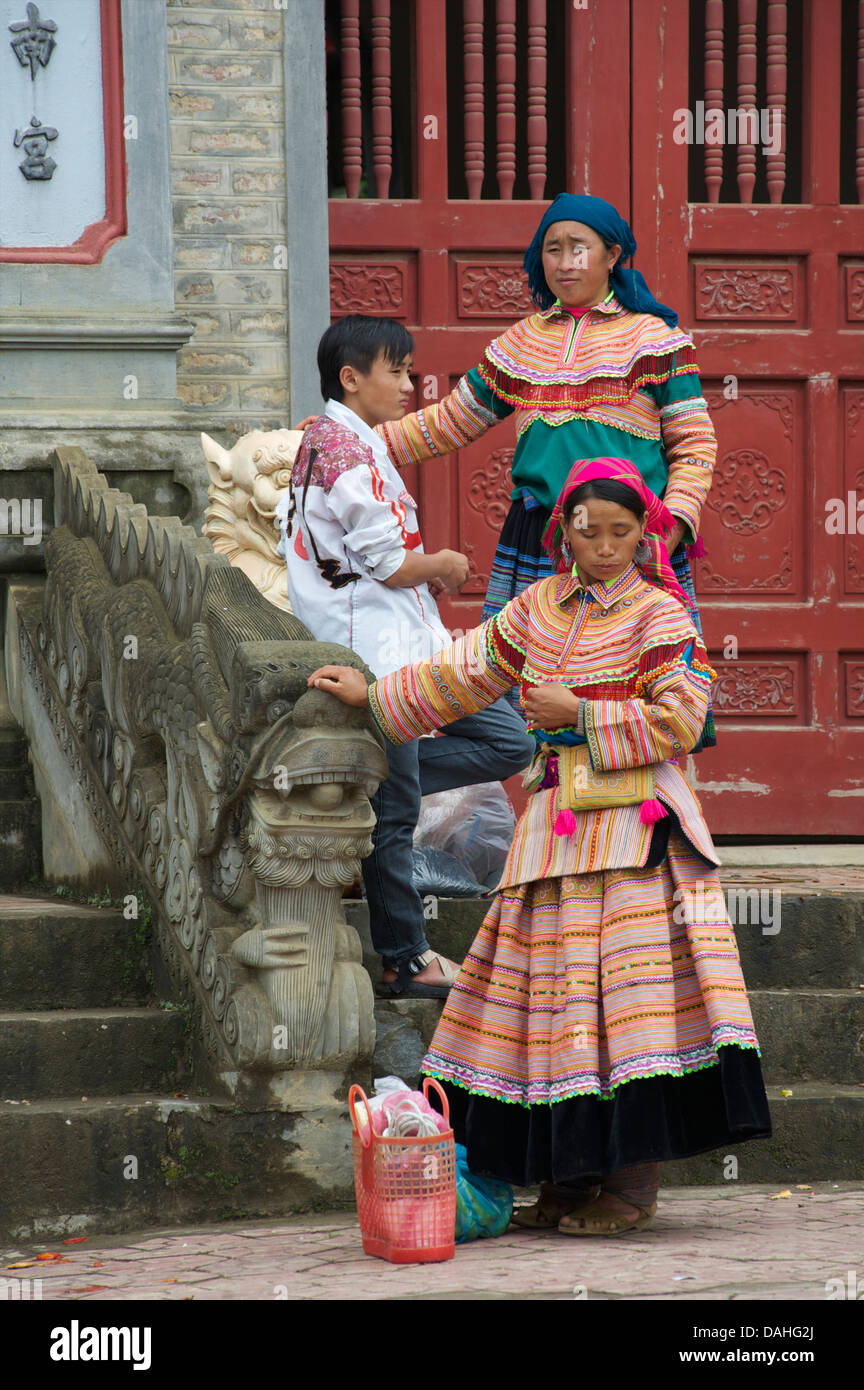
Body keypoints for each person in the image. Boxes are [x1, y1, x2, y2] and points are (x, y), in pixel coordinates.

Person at [307, 455, 771, 1235]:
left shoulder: (661, 615)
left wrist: (582, 713)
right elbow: (463, 672)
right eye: (591, 531)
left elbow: (684, 721)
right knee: (555, 1008)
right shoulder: (534, 610)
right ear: (563, 532)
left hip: (636, 838)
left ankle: (628, 1188)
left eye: (624, 532)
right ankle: (567, 1175)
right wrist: (375, 695)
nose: (607, 546)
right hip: (553, 836)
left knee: (629, 1012)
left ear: (644, 533)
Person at [376, 193, 717, 748]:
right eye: (552, 250)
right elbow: (446, 423)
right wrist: (348, 439)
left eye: (577, 248)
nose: (564, 262)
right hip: (542, 537)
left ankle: (648, 818)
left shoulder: (657, 341)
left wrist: (671, 526)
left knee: (648, 685)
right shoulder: (520, 343)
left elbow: (695, 443)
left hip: (634, 540)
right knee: (533, 691)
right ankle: (553, 815)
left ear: (612, 254)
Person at [275, 314, 534, 999]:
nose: (411, 382)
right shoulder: (343, 451)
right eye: (397, 370)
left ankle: (380, 774)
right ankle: (404, 956)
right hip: (377, 652)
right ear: (352, 378)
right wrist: (444, 563)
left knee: (507, 740)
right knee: (394, 819)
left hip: (414, 646)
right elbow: (388, 563)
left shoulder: (342, 439)